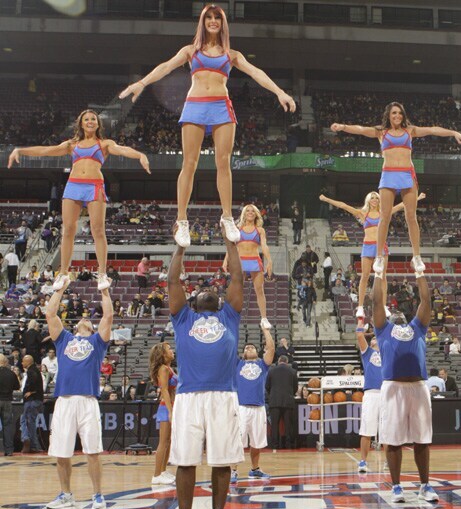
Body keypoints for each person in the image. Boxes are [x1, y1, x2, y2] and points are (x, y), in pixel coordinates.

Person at [119, 4, 296, 249]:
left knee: (223, 163)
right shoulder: (190, 51)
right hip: (195, 105)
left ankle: (227, 217)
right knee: (189, 164)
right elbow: (166, 67)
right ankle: (182, 220)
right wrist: (142, 83)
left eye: (217, 18)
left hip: (221, 106)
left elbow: (257, 73)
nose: (213, 21)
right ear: (202, 22)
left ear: (223, 23)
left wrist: (280, 92)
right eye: (209, 17)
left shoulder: (232, 54)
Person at [8, 110, 150, 291]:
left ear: (98, 123)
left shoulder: (104, 144)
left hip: (94, 186)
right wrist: (20, 150)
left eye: (93, 119)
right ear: (81, 124)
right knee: (68, 230)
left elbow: (123, 149)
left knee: (98, 230)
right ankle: (63, 273)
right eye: (86, 119)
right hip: (73, 185)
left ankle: (102, 273)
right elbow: (45, 150)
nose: (90, 121)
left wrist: (140, 155)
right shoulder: (72, 144)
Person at [167, 221, 244, 509]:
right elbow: (173, 279)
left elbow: (237, 277)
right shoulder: (182, 317)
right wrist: (181, 245)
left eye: (213, 290)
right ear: (192, 302)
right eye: (202, 290)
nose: (208, 290)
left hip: (223, 394)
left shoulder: (229, 315)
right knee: (186, 461)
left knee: (222, 461)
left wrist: (230, 242)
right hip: (189, 395)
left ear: (220, 300)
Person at [330, 103, 461, 277]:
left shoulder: (410, 130)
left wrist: (453, 133)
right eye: (394, 113)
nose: (397, 116)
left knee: (411, 217)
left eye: (400, 113)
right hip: (388, 174)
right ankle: (379, 256)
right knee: (384, 217)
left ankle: (416, 256)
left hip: (407, 175)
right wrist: (342, 127)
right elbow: (361, 129)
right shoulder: (381, 132)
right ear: (389, 115)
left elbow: (432, 130)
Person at [372, 259, 438, 503]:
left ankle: (425, 485)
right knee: (393, 439)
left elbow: (426, 301)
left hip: (418, 386)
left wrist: (419, 272)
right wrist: (378, 274)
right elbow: (375, 301)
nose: (398, 313)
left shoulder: (417, 327)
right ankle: (396, 487)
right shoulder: (383, 329)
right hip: (393, 386)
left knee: (422, 439)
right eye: (394, 312)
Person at [43, 279, 112, 509]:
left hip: (87, 400)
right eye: (82, 319)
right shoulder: (64, 339)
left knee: (92, 451)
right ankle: (66, 494)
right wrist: (59, 289)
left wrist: (104, 291)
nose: (84, 318)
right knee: (61, 452)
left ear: (92, 328)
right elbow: (50, 314)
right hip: (64, 400)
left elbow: (108, 317)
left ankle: (98, 495)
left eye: (88, 320)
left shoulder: (97, 342)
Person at [319, 191, 424, 317]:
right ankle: (360, 307)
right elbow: (344, 206)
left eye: (376, 198)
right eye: (372, 198)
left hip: (381, 246)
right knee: (365, 276)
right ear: (368, 200)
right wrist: (326, 199)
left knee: (383, 276)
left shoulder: (384, 212)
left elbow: (402, 205)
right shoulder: (363, 213)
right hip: (368, 246)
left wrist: (417, 198)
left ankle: (384, 306)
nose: (374, 199)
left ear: (379, 200)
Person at [231, 325, 274, 483]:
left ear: (257, 352)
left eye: (252, 347)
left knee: (257, 442)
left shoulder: (262, 364)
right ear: (243, 354)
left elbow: (271, 349)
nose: (249, 348)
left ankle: (255, 469)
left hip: (259, 407)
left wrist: (266, 331)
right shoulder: (237, 364)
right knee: (237, 442)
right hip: (241, 408)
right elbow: (229, 346)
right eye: (246, 348)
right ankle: (233, 470)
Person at [222, 204, 273, 330]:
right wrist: (225, 260)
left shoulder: (260, 230)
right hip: (240, 262)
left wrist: (269, 261)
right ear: (244, 214)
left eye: (253, 211)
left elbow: (264, 246)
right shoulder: (237, 228)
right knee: (237, 289)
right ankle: (230, 315)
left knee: (259, 290)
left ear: (256, 214)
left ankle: (264, 318)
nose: (250, 213)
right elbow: (231, 246)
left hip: (255, 260)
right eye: (248, 211)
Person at [356, 317, 384, 473]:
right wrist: (361, 321)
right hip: (371, 393)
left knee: (388, 431)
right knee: (367, 430)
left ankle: (389, 461)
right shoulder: (367, 352)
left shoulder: (388, 352)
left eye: (376, 337)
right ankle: (363, 462)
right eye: (372, 338)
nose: (375, 339)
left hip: (387, 393)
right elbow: (359, 335)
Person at [149, 342, 177, 486]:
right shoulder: (163, 369)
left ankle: (163, 471)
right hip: (166, 408)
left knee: (168, 441)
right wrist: (171, 411)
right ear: (162, 354)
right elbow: (164, 390)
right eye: (169, 349)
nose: (172, 351)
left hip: (171, 406)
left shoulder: (169, 368)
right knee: (163, 442)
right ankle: (156, 475)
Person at [267, 355, 298, 450]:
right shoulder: (293, 371)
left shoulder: (271, 371)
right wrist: (290, 394)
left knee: (274, 425)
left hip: (274, 401)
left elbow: (267, 386)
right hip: (288, 401)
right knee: (288, 425)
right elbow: (295, 387)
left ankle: (275, 445)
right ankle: (288, 445)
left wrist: (273, 394)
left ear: (278, 361)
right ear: (287, 362)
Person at [21, 354, 44, 453]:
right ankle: (33, 445)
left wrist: (31, 391)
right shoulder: (34, 370)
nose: (22, 363)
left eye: (23, 361)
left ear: (28, 362)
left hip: (32, 400)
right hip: (35, 400)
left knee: (26, 421)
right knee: (30, 422)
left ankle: (27, 440)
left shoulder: (32, 371)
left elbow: (34, 382)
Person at [0, 354, 20, 456]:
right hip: (7, 401)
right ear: (5, 362)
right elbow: (17, 386)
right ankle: (9, 450)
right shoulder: (11, 373)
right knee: (7, 426)